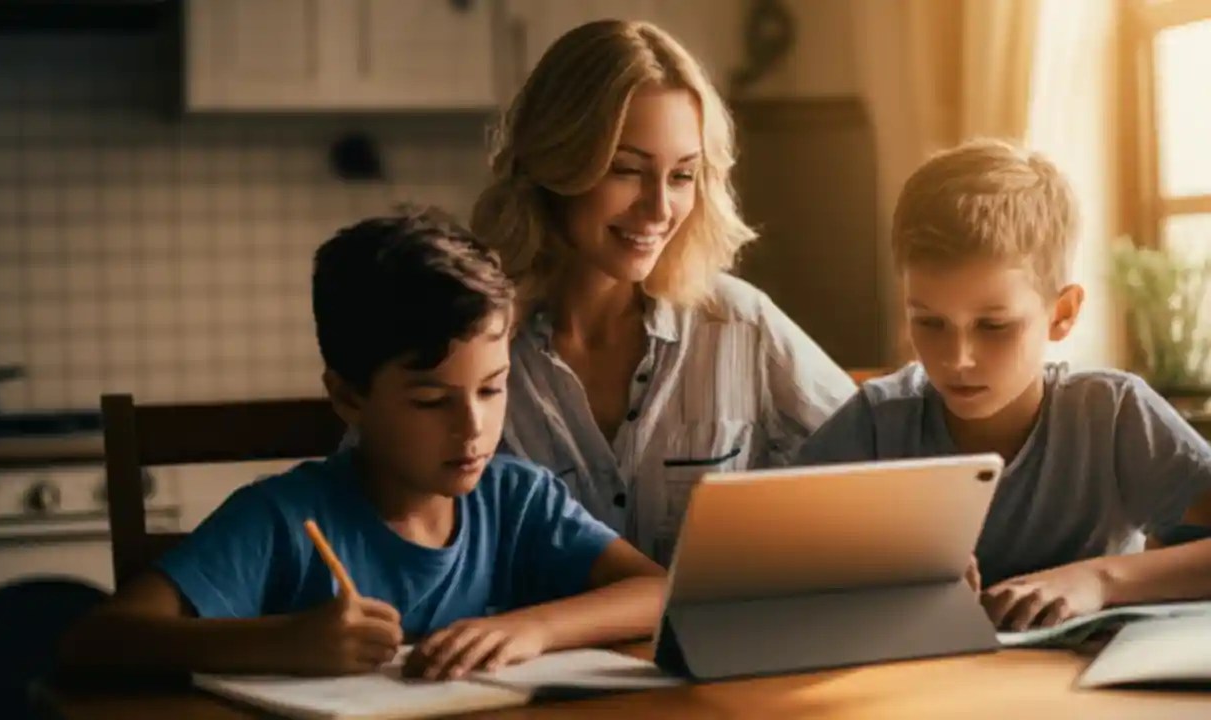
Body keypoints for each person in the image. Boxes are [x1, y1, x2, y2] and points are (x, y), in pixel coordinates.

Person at [59, 210, 666, 680]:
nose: (473, 426)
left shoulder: (519, 502)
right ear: (349, 398)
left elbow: (658, 591)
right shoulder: (284, 519)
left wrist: (532, 629)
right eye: (431, 401)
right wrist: (285, 643)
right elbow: (99, 639)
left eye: (492, 388)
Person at [471, 19, 856, 565]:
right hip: (527, 649)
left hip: (728, 648)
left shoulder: (740, 325)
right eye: (627, 171)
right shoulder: (472, 343)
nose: (659, 210)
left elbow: (887, 468)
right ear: (555, 164)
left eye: (682, 177)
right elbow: (373, 505)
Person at [796, 138, 1211, 631]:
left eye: (993, 327)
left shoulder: (1113, 414)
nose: (958, 358)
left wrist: (1100, 581)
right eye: (929, 323)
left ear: (1062, 313)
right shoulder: (877, 424)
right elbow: (764, 564)